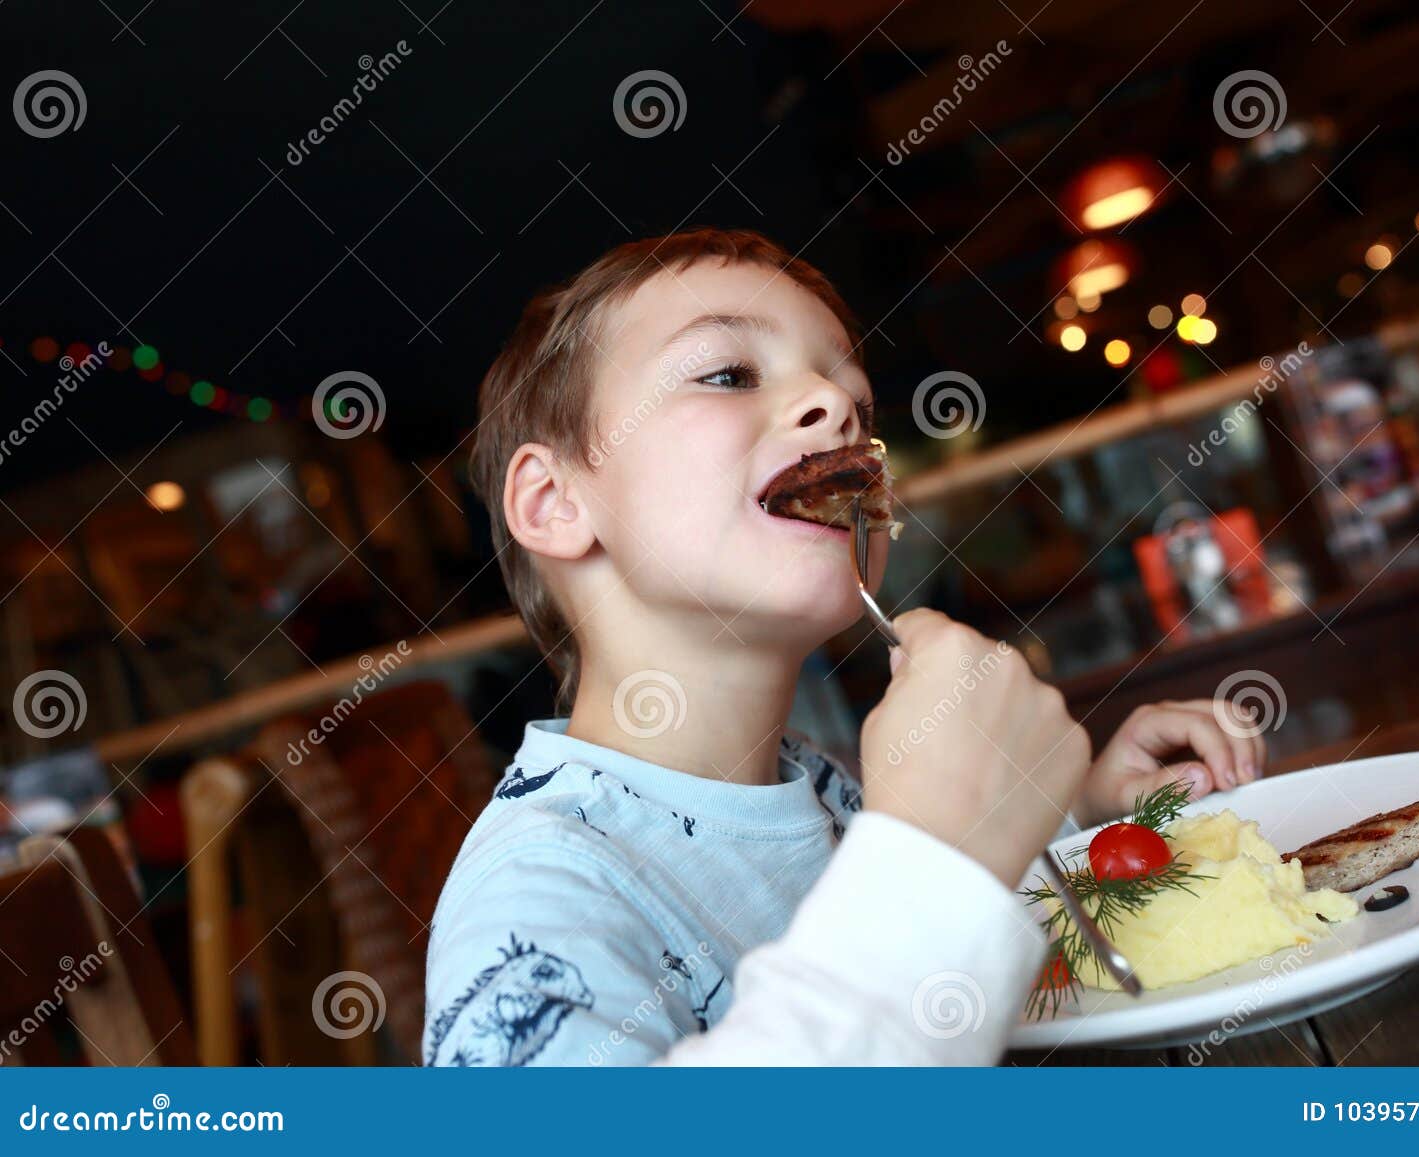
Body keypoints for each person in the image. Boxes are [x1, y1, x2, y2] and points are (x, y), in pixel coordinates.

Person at [423, 229, 1262, 1066]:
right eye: (727, 374)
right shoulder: (540, 888)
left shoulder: (826, 788)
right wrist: (937, 845)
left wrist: (1067, 823)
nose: (834, 408)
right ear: (554, 501)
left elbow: (940, 995)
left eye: (856, 400)